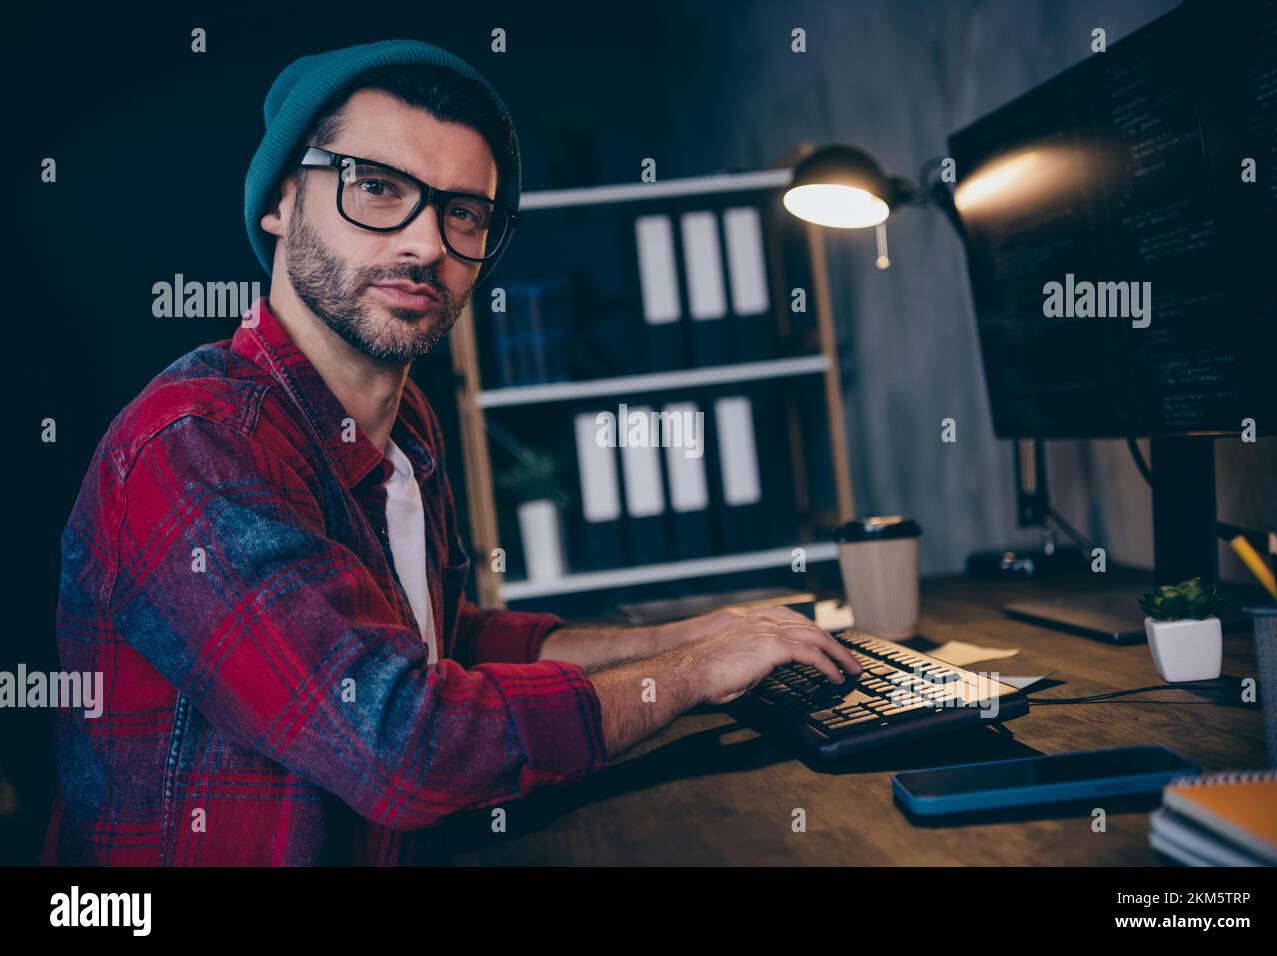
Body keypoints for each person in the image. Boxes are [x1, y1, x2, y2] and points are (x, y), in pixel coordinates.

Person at [45, 39, 859, 866]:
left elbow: (444, 644)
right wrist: (691, 675)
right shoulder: (196, 445)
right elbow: (402, 742)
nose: (426, 242)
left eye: (463, 212)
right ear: (281, 202)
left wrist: (692, 638)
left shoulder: (408, 424)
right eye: (376, 187)